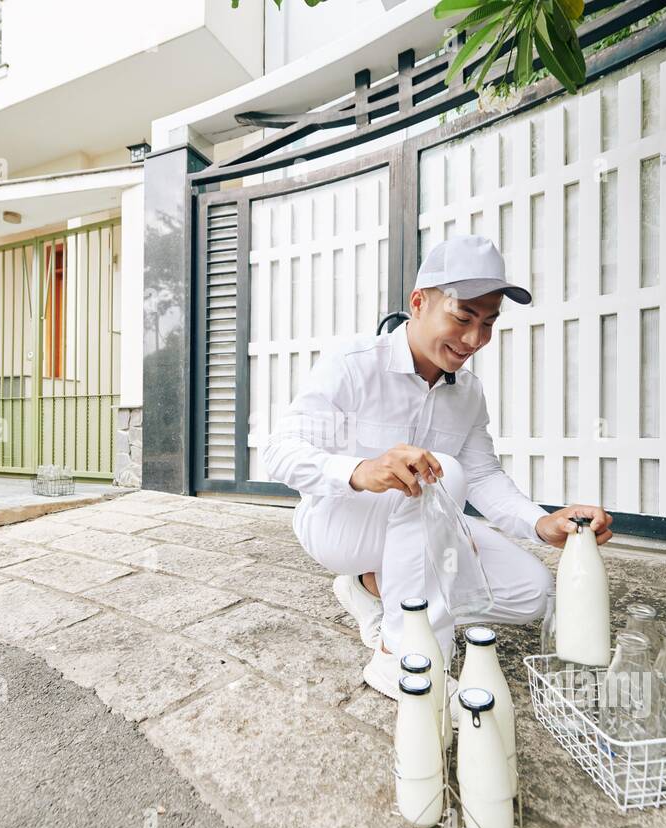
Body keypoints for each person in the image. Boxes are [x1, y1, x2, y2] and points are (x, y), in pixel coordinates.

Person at [262, 234, 613, 703]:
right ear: (419, 302)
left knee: (532, 593)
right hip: (338, 525)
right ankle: (400, 658)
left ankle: (373, 588)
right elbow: (279, 452)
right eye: (463, 317)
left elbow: (485, 476)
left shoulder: (468, 392)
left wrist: (540, 522)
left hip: (421, 522)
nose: (475, 339)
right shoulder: (352, 364)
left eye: (489, 322)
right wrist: (361, 470)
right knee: (441, 471)